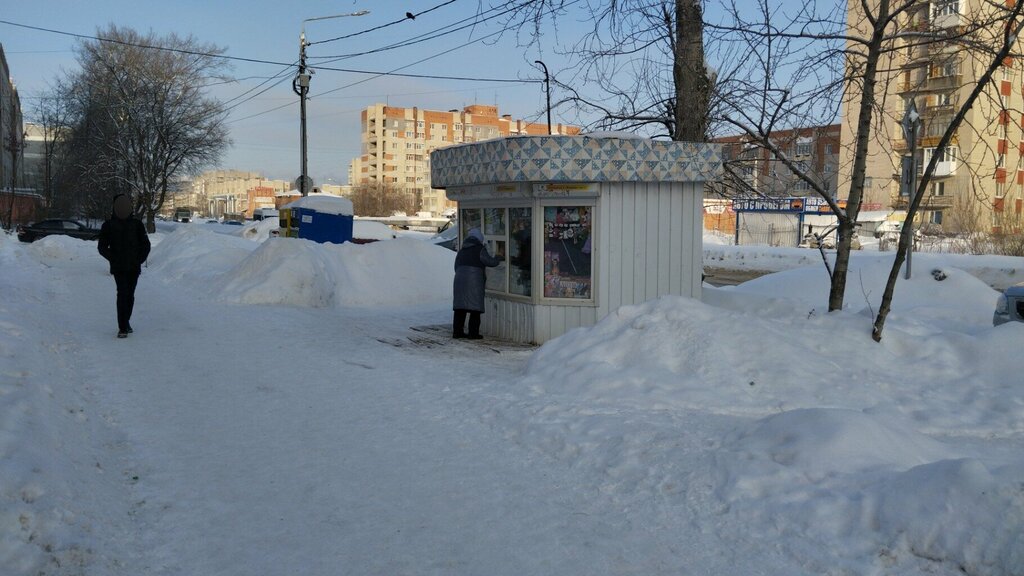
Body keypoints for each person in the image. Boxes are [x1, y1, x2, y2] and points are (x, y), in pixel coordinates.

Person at [97, 194, 151, 338]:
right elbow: (102, 247)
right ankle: (122, 327)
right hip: (119, 268)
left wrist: (139, 259)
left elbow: (146, 245)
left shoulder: (137, 224)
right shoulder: (108, 225)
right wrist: (113, 259)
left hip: (134, 267)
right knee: (122, 294)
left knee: (130, 295)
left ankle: (126, 322)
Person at [452, 228, 501, 339]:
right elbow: (489, 262)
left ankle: (457, 332)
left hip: (459, 279)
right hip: (474, 279)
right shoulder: (480, 249)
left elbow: (456, 266)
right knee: (475, 308)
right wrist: (498, 257)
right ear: (479, 239)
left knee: (460, 308)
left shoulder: (462, 250)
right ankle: (473, 333)